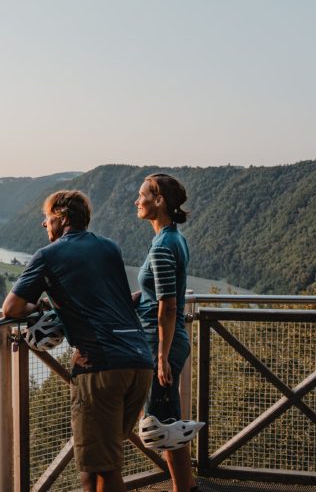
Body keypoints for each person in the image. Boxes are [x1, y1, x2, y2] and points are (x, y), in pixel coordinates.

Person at [1, 190, 154, 492]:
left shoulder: (49, 255)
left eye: (46, 218)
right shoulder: (109, 248)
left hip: (100, 366)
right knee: (96, 464)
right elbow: (121, 300)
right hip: (139, 360)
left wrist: (41, 306)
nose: (44, 225)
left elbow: (11, 309)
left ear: (62, 217)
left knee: (103, 469)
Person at [134, 173, 203, 492]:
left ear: (158, 200)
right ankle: (186, 486)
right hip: (169, 340)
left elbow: (168, 304)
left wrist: (161, 357)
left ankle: (183, 488)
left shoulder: (163, 245)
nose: (137, 201)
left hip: (162, 342)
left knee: (161, 424)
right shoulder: (173, 237)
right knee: (166, 420)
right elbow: (159, 293)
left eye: (142, 195)